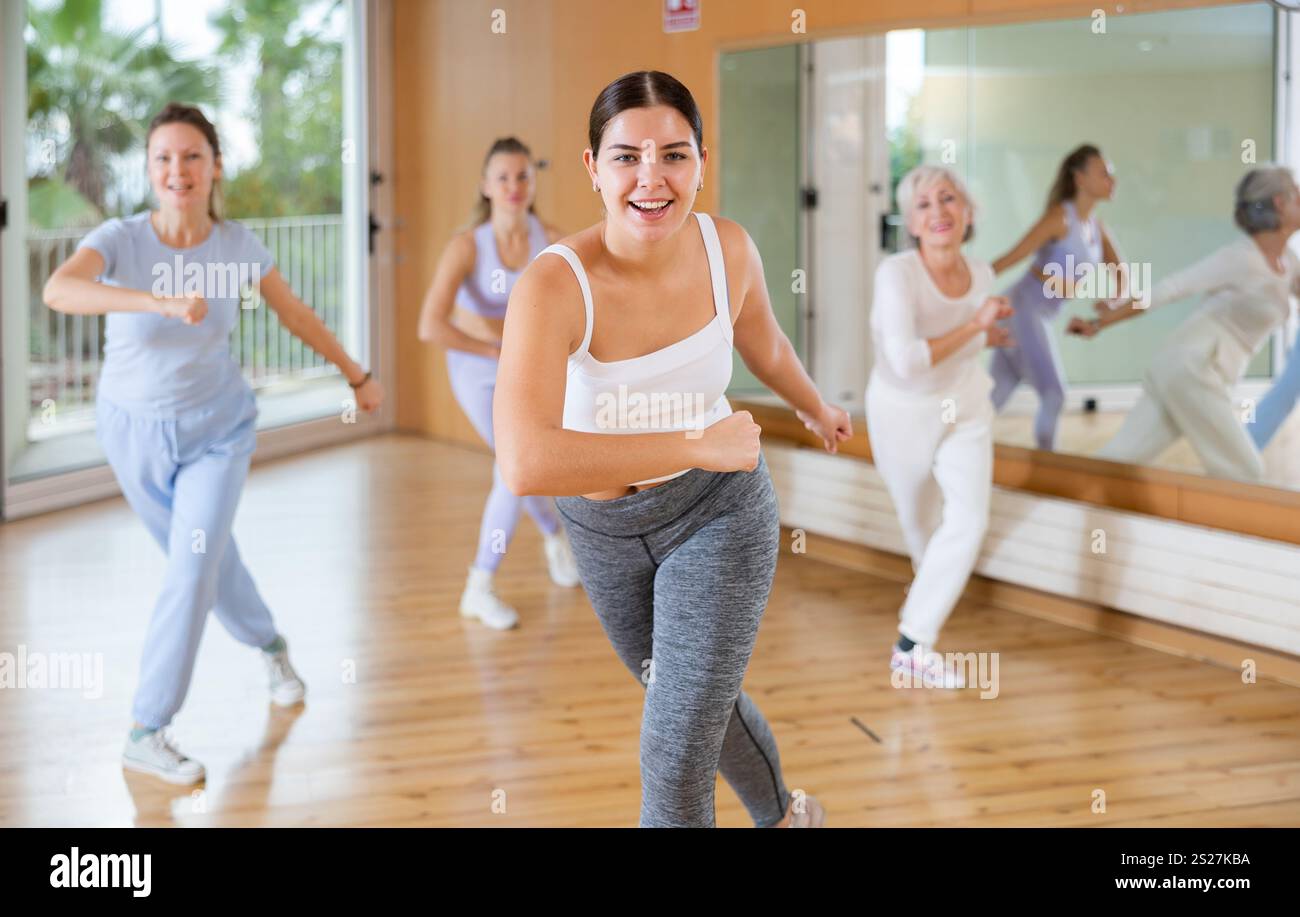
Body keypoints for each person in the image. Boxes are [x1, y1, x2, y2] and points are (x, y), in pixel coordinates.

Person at [493, 71, 852, 827]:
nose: (651, 178)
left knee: (673, 748)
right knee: (698, 710)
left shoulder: (728, 249)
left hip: (719, 511)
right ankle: (788, 816)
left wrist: (816, 405)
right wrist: (694, 437)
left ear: (701, 162)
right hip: (606, 535)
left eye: (674, 155)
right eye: (626, 157)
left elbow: (765, 342)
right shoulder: (554, 285)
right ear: (592, 167)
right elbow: (524, 461)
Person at [43, 102, 383, 784]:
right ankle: (271, 644)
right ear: (148, 168)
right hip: (130, 432)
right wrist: (158, 302)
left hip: (218, 431)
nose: (178, 170)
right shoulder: (121, 238)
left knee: (192, 566)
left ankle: (147, 726)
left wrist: (356, 374)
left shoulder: (236, 247)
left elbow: (295, 313)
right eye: (164, 158)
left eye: (192, 156)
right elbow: (60, 289)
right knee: (209, 560)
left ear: (215, 166)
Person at [417, 137, 580, 630]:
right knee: (515, 465)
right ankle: (480, 583)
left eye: (523, 176)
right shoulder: (467, 245)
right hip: (478, 370)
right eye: (503, 177)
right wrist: (493, 348)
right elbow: (431, 325)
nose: (513, 186)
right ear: (486, 186)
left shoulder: (551, 239)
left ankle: (552, 539)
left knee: (516, 466)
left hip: (527, 365)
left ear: (533, 183)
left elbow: (575, 306)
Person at [868, 165, 1014, 688]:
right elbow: (906, 360)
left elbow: (966, 345)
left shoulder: (982, 275)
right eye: (924, 205)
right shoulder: (897, 275)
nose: (938, 213)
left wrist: (988, 339)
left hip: (965, 404)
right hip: (901, 412)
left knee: (969, 519)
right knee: (921, 530)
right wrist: (976, 325)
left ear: (969, 212)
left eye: (948, 199)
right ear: (910, 221)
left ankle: (912, 644)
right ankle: (921, 623)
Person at [1071, 165, 1300, 483]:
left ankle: (1051, 494)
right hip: (1194, 367)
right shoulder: (1240, 258)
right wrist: (1102, 321)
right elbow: (1172, 288)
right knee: (1246, 470)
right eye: (1298, 196)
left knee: (1120, 460)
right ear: (1280, 203)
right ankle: (1221, 531)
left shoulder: (1289, 262)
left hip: (1188, 369)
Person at [989, 144, 1124, 450]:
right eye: (1104, 173)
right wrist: (961, 283)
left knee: (995, 396)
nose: (1112, 180)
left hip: (1038, 315)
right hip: (1023, 310)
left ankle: (941, 454)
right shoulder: (1059, 219)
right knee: (1054, 395)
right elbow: (1012, 258)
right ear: (1079, 178)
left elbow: (1122, 274)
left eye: (1112, 174)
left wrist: (1113, 302)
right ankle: (1048, 470)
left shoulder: (1096, 228)